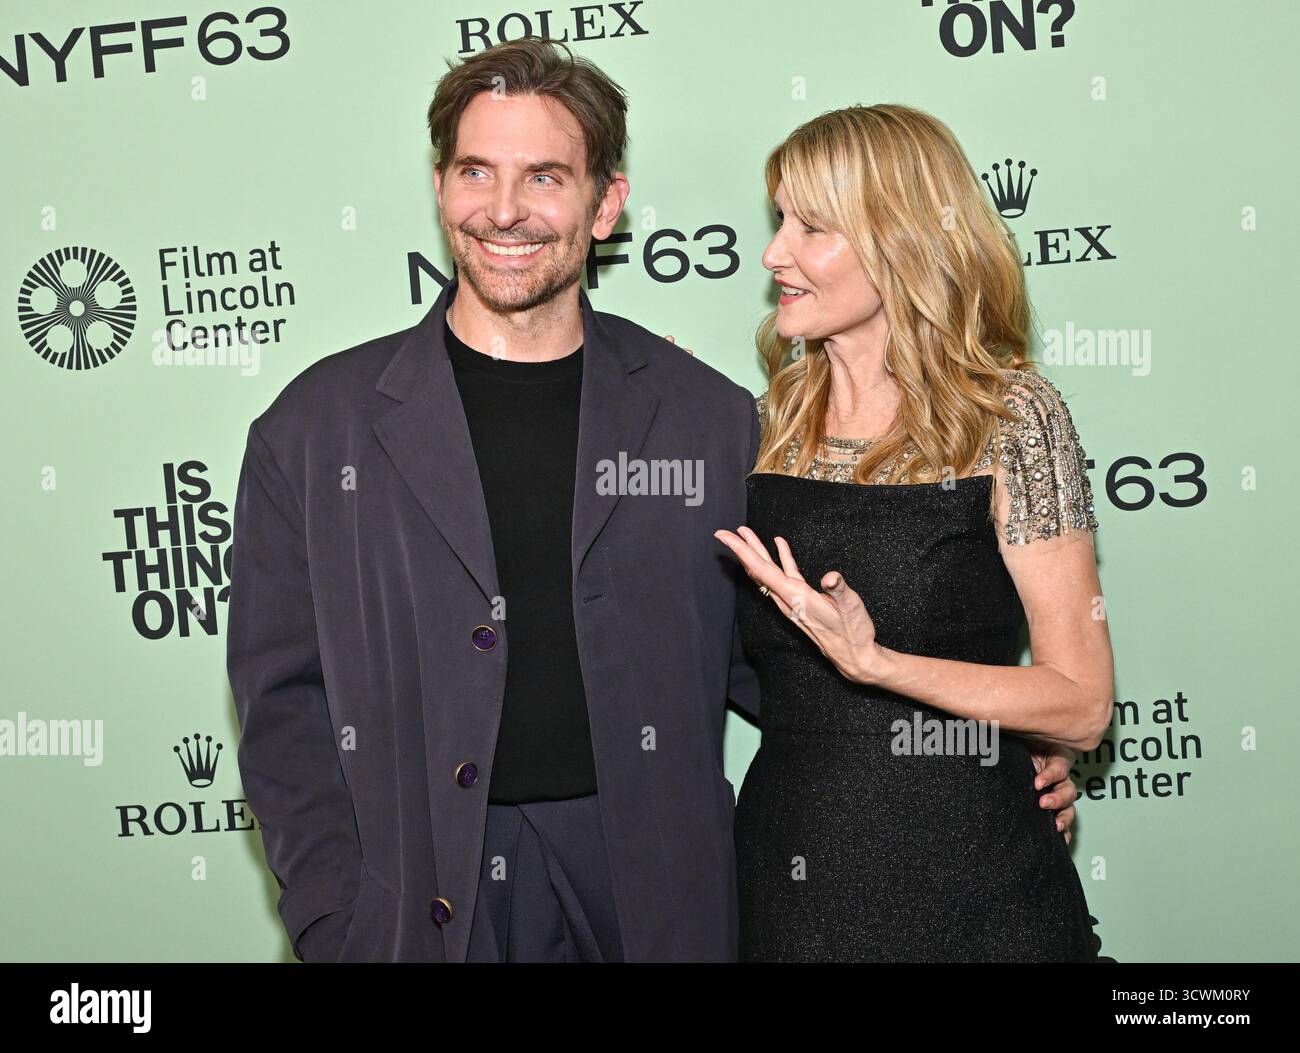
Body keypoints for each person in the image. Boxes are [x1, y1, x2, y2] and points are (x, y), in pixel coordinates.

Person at [226, 38, 1080, 963]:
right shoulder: (316, 429)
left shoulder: (707, 417)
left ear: (606, 205)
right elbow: (282, 705)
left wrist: (978, 759)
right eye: (477, 171)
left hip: (661, 898)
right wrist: (332, 916)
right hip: (423, 902)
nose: (504, 210)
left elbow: (792, 663)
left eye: (546, 176)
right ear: (441, 188)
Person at [714, 104, 1115, 962]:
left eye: (811, 227)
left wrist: (877, 663)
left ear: (900, 242)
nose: (773, 252)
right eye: (779, 218)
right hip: (792, 878)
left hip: (979, 887)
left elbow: (1081, 705)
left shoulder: (1010, 420)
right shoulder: (761, 426)